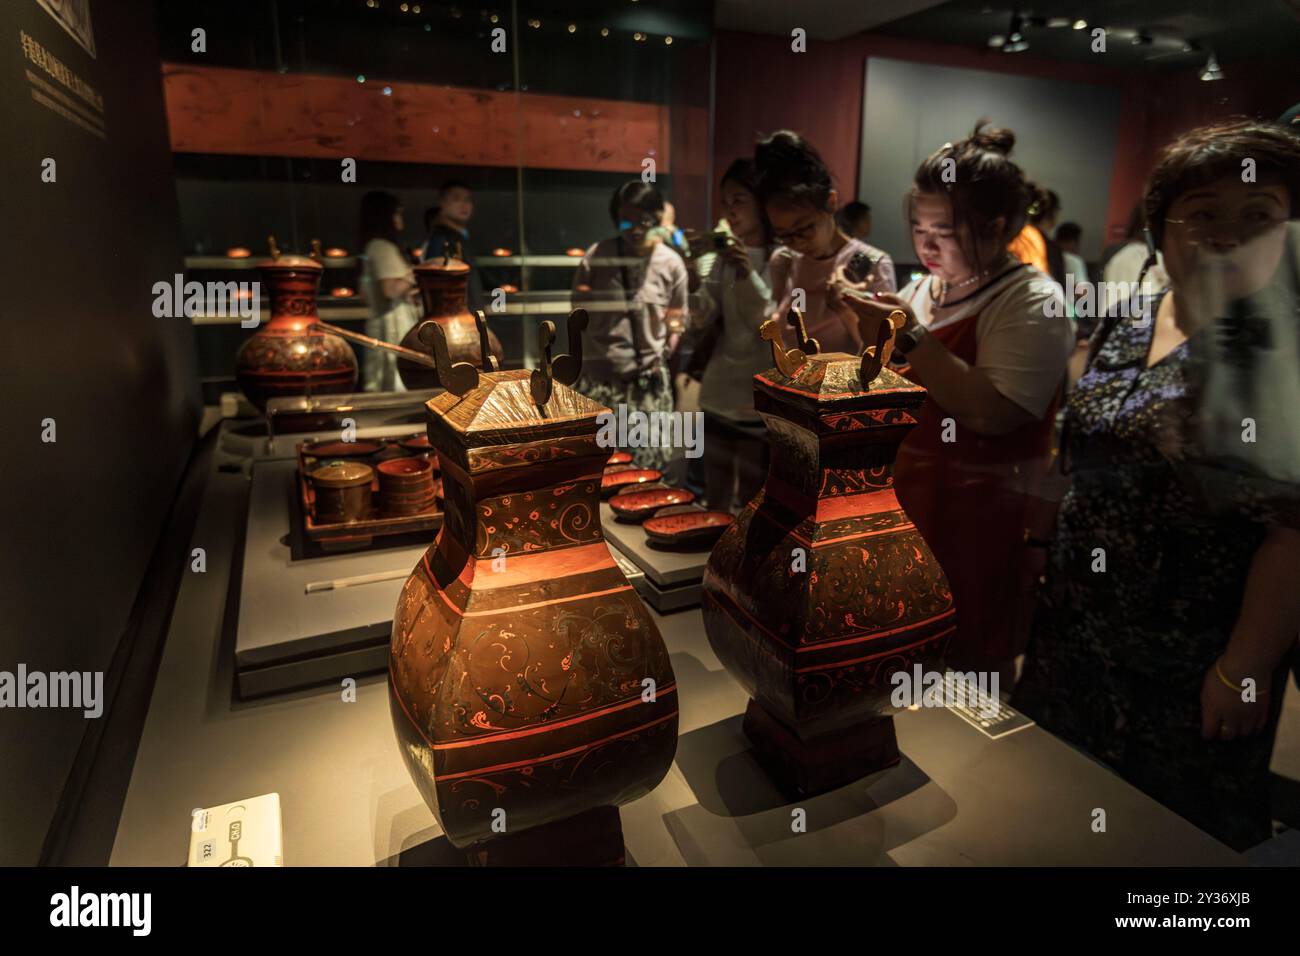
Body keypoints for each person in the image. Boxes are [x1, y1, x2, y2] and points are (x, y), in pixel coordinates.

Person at [1012, 119, 1300, 851]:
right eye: (1204, 213)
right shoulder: (1130, 317)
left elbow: (1292, 531)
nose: (1228, 236)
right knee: (1057, 807)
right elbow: (1074, 448)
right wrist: (1033, 553)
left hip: (1192, 649)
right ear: (1162, 228)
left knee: (1167, 841)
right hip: (1076, 622)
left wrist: (1245, 668)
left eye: (1257, 215)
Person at [842, 122, 1073, 682]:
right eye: (919, 228)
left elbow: (991, 413)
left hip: (982, 520)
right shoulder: (926, 287)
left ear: (994, 228)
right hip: (912, 507)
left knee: (963, 671)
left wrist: (912, 336)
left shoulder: (1033, 299)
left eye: (944, 230)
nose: (926, 245)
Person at [571, 181, 689, 472]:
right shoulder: (598, 255)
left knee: (647, 470)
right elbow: (578, 311)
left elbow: (676, 316)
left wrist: (664, 351)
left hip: (647, 379)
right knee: (599, 467)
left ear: (659, 217)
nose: (636, 229)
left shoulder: (671, 263)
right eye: (627, 221)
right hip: (600, 380)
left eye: (645, 220)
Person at [756, 130, 897, 355]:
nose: (797, 243)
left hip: (842, 388)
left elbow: (884, 354)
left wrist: (844, 307)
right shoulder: (785, 260)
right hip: (792, 385)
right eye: (783, 234)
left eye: (805, 228)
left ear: (831, 203)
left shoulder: (871, 263)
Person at [689, 159, 776, 512]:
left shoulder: (781, 257)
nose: (730, 210)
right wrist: (694, 276)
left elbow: (767, 323)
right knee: (715, 495)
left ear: (761, 203)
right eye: (725, 203)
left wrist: (744, 269)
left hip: (759, 395)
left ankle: (743, 564)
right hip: (719, 390)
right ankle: (710, 562)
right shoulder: (723, 258)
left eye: (739, 200)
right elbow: (701, 317)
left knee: (754, 499)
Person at [357, 190, 420, 392]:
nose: (400, 219)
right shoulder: (382, 247)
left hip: (384, 318)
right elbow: (391, 290)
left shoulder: (372, 246)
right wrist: (415, 273)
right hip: (392, 322)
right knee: (393, 375)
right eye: (397, 213)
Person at [421, 179, 486, 309]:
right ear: (442, 203)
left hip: (469, 318)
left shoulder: (459, 237)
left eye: (467, 200)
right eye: (457, 199)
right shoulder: (442, 238)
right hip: (457, 320)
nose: (464, 205)